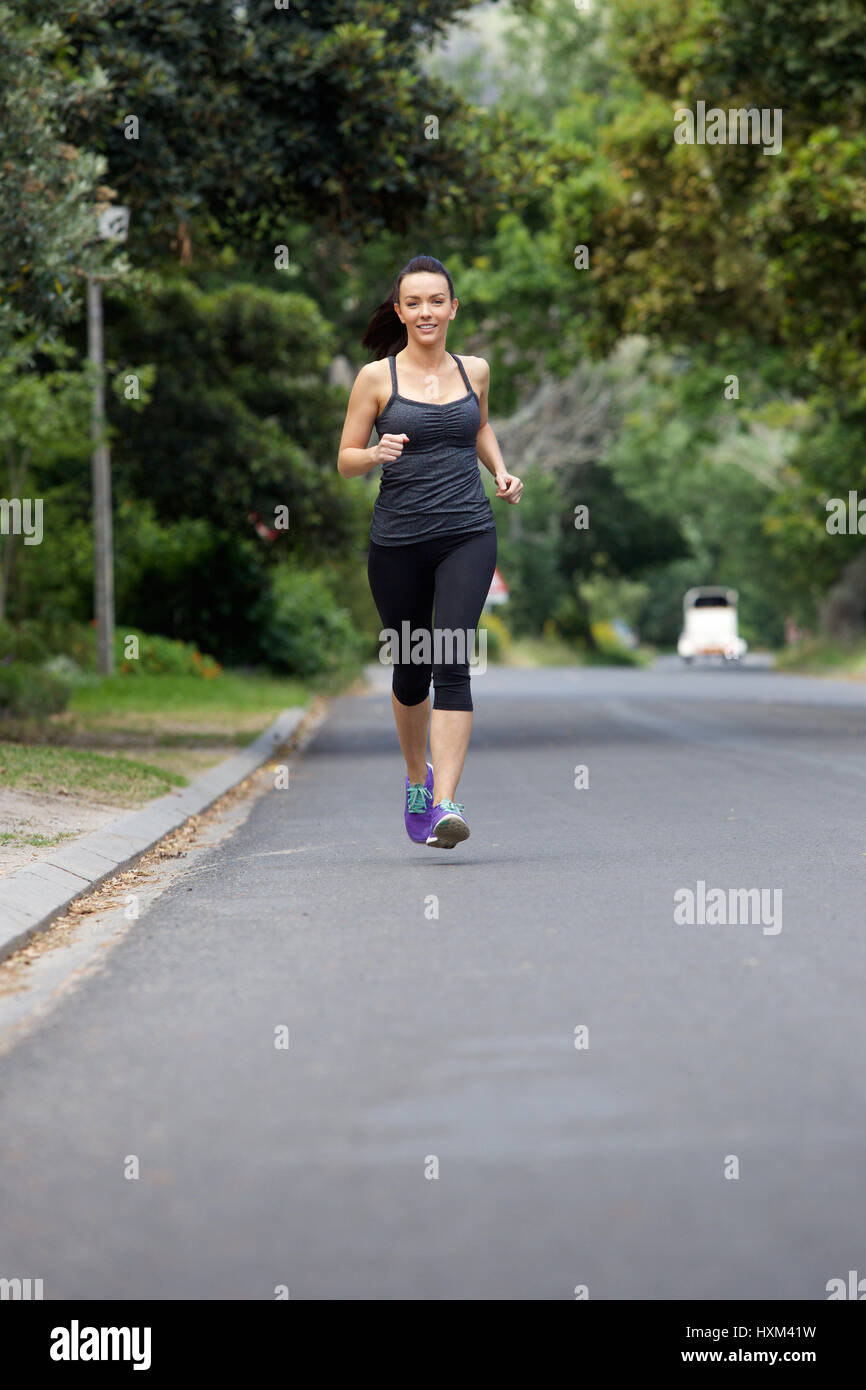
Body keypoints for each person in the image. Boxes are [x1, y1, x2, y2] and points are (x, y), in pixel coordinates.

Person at [337, 254, 522, 848]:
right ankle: (418, 780)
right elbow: (345, 460)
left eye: (435, 301)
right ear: (399, 310)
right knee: (411, 670)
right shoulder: (376, 378)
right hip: (397, 542)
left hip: (468, 531)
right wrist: (375, 454)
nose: (425, 312)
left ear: (452, 308)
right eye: (413, 302)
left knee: (452, 659)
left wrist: (500, 470)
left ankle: (445, 805)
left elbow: (481, 427)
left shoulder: (476, 371)